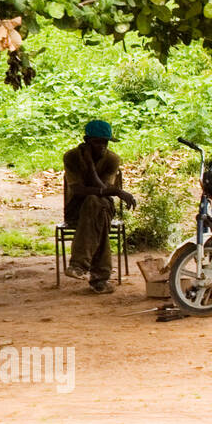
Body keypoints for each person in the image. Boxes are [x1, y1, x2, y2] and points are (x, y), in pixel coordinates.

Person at [63, 120, 136, 294]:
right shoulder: (71, 157)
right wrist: (116, 191)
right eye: (97, 142)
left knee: (95, 203)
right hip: (76, 208)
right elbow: (78, 190)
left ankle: (78, 265)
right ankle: (100, 279)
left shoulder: (111, 159)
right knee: (95, 209)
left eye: (105, 142)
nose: (102, 146)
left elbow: (102, 190)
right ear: (86, 140)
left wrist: (90, 166)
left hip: (103, 205)